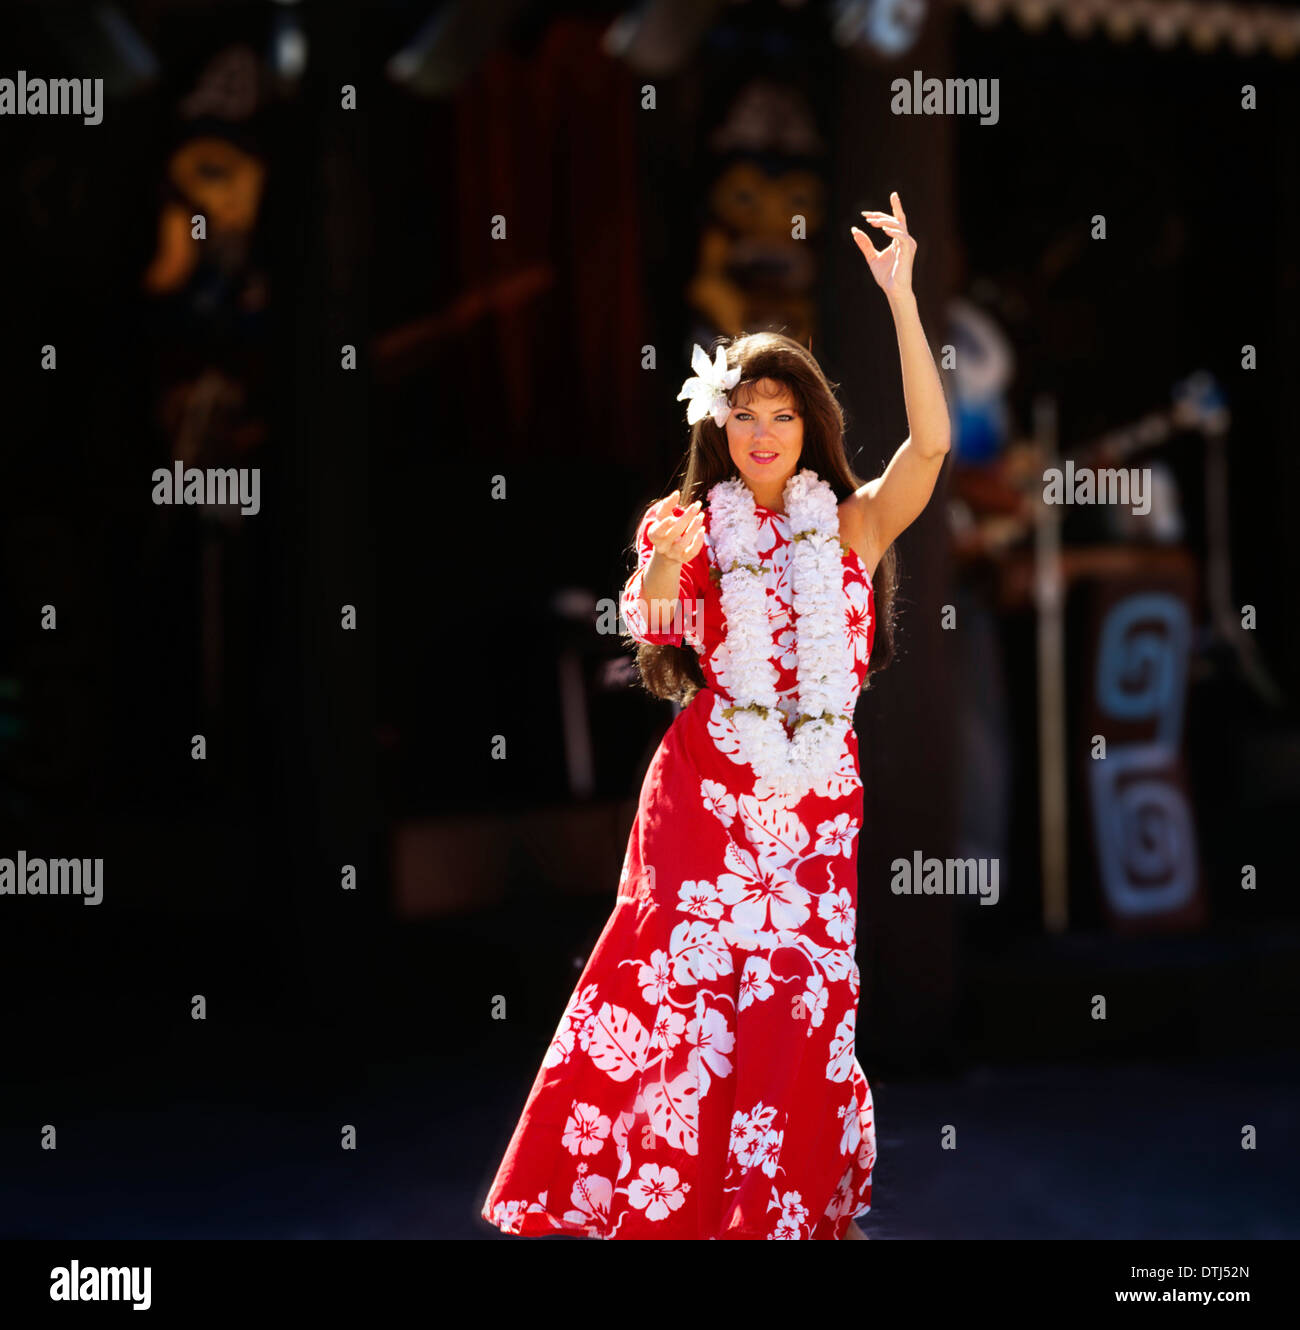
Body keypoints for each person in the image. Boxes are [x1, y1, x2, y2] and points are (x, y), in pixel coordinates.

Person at [481, 192, 950, 1239]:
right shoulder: (688, 520)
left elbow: (930, 443)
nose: (763, 431)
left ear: (810, 426)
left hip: (819, 799)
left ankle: (775, 1217)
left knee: (801, 1012)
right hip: (706, 790)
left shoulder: (855, 524)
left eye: (784, 414)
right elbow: (642, 618)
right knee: (685, 1009)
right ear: (719, 423)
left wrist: (903, 300)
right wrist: (664, 557)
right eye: (744, 413)